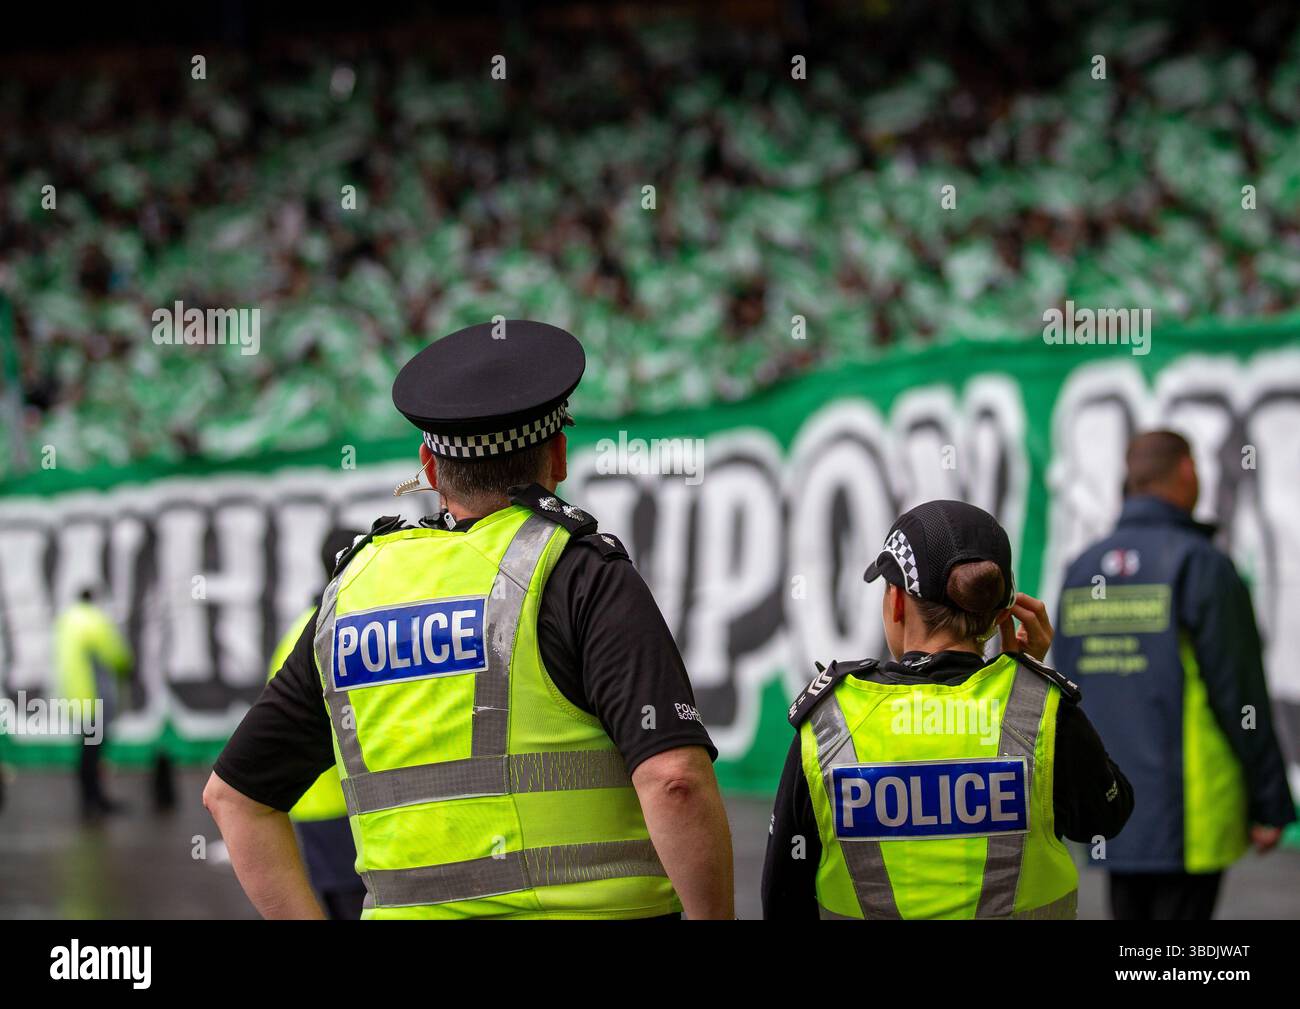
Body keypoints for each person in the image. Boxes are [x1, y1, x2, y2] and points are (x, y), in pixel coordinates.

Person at [204, 319, 734, 919]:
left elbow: (235, 799)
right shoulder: (581, 573)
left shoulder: (351, 592)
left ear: (430, 467)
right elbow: (674, 780)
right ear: (557, 455)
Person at [763, 500, 1133, 919]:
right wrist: (1031, 679)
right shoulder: (1042, 713)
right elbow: (1105, 818)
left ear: (897, 601)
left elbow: (782, 894)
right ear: (1000, 612)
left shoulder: (830, 723)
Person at [1053, 430, 1295, 920]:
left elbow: (1070, 689)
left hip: (1114, 813)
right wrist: (1271, 804)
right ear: (1186, 471)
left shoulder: (1081, 569)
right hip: (1189, 816)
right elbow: (1239, 693)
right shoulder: (1201, 564)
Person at [264, 527, 367, 920]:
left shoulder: (305, 627)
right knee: (349, 904)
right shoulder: (335, 629)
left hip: (314, 803)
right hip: (337, 805)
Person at [53, 587, 134, 819]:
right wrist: (127, 664)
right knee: (93, 751)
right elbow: (116, 655)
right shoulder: (94, 620)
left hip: (75, 697)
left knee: (87, 749)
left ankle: (90, 798)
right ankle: (95, 800)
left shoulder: (66, 621)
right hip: (94, 697)